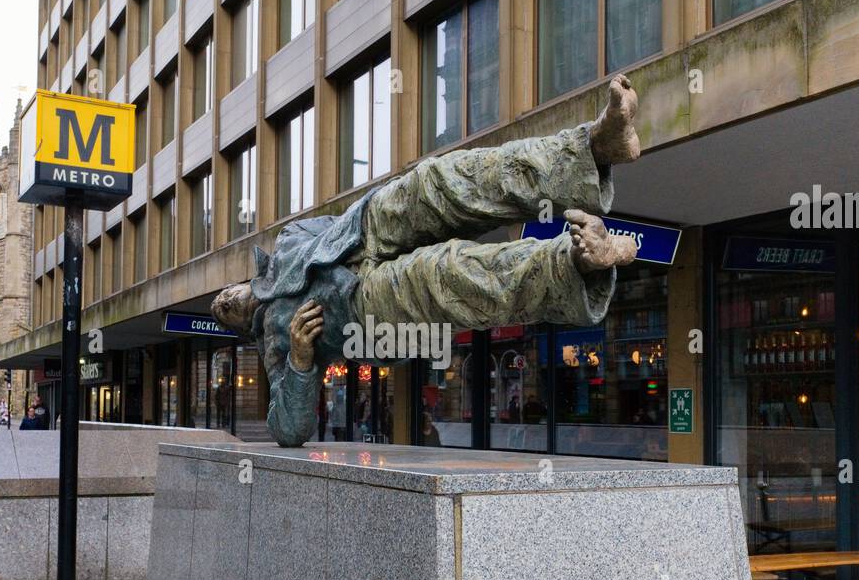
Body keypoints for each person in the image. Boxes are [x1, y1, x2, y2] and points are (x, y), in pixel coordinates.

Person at [212, 75, 642, 447]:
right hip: (364, 309)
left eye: (222, 297)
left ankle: (592, 149)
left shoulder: (286, 239)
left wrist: (368, 215)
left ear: (237, 282)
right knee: (451, 274)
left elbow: (332, 222)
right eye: (224, 313)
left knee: (443, 180)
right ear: (239, 324)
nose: (224, 303)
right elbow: (289, 430)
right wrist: (301, 359)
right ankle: (580, 262)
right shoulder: (275, 343)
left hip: (364, 227)